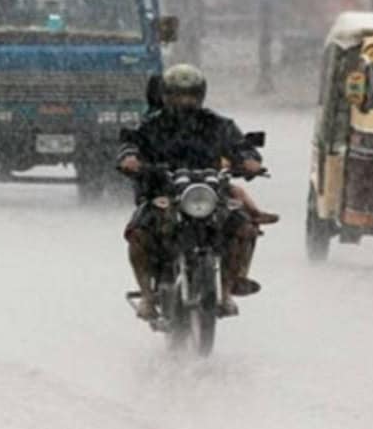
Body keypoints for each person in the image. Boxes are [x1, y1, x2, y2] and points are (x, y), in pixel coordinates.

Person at [117, 64, 278, 319]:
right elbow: (130, 145)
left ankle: (228, 290)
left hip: (210, 193)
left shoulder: (217, 124)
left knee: (245, 228)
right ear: (165, 95)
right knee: (138, 234)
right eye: (178, 94)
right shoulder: (150, 126)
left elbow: (240, 146)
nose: (185, 100)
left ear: (201, 95)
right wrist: (131, 160)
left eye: (191, 94)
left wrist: (249, 161)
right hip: (164, 193)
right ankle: (147, 296)